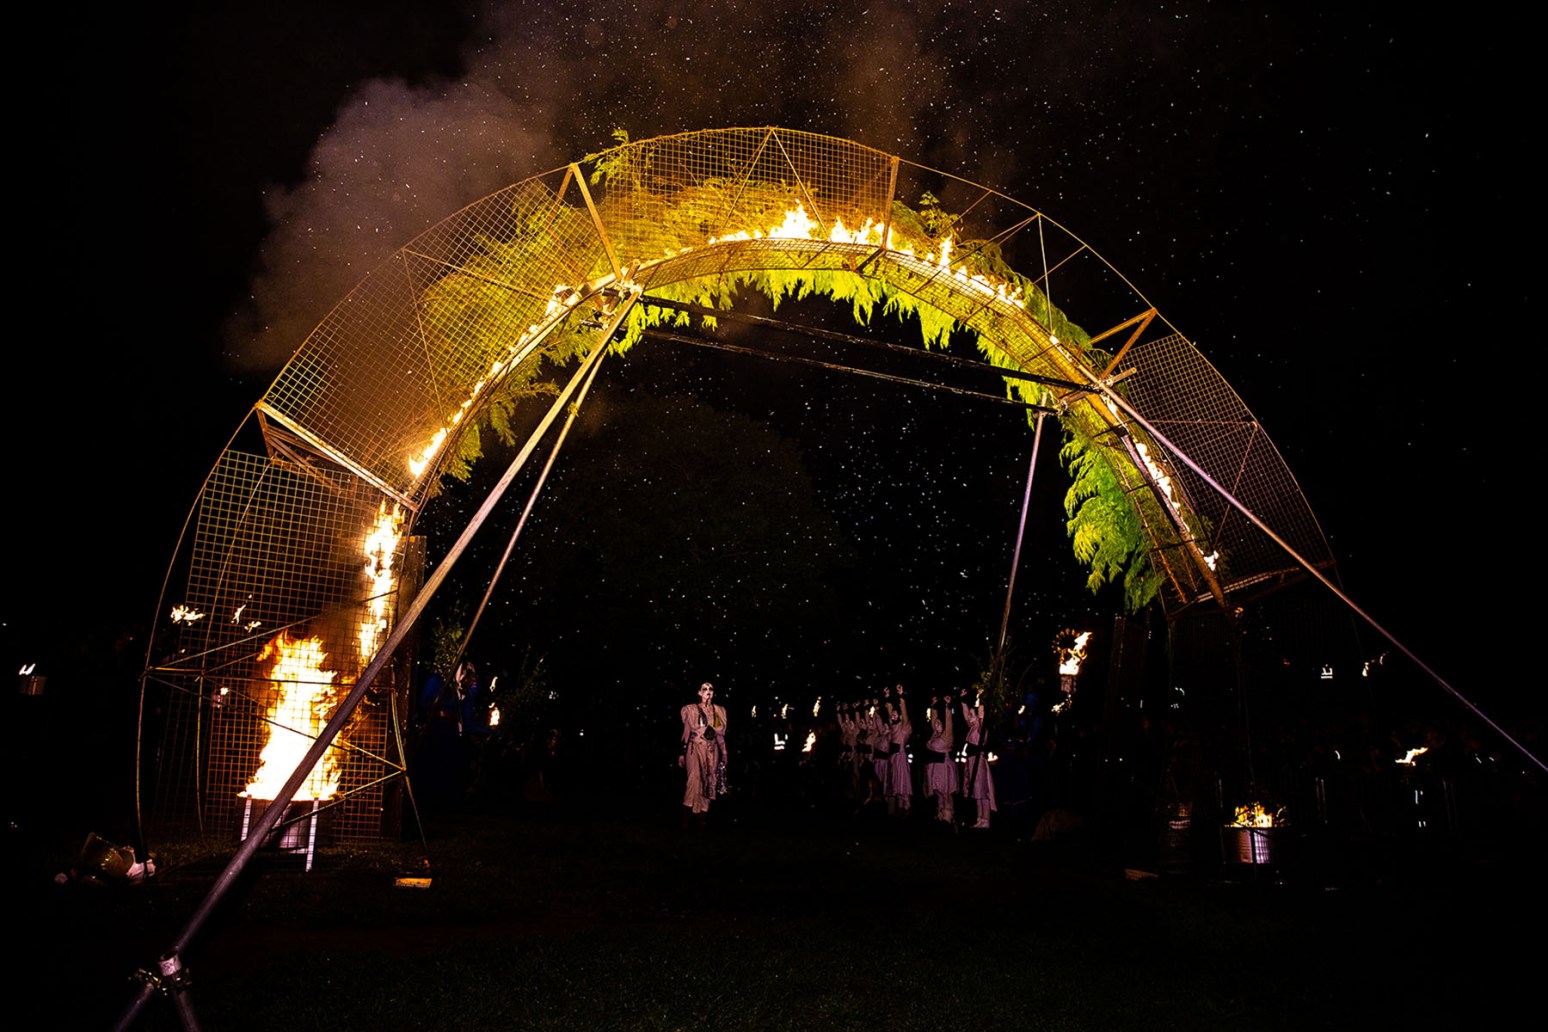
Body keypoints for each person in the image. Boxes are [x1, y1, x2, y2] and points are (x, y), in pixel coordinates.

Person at [679, 681, 728, 826]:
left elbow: (719, 735)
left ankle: (702, 819)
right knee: (694, 780)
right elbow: (686, 732)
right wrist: (681, 753)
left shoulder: (719, 711)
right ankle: (686, 818)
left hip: (711, 750)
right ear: (699, 692)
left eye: (711, 689)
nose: (708, 691)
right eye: (705, 689)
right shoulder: (691, 709)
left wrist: (724, 752)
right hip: (695, 748)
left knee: (709, 780)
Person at [960, 688, 997, 829]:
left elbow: (981, 717)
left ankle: (986, 819)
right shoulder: (972, 729)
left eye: (972, 715)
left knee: (982, 790)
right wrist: (963, 702)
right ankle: (979, 818)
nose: (969, 717)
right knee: (975, 790)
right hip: (971, 760)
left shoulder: (980, 729)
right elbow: (965, 717)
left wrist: (981, 700)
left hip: (979, 761)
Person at [922, 694, 957, 824]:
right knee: (938, 792)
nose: (936, 725)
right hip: (935, 767)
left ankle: (948, 814)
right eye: (935, 724)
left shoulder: (946, 736)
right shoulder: (934, 735)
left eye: (938, 724)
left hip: (944, 767)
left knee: (946, 792)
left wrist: (948, 707)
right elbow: (933, 720)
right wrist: (933, 707)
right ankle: (940, 812)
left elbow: (948, 723)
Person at [883, 684, 913, 817]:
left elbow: (904, 714)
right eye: (892, 715)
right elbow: (890, 713)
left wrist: (901, 696)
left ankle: (905, 806)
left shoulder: (904, 727)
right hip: (893, 758)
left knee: (902, 782)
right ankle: (897, 809)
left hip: (900, 757)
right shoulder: (893, 726)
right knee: (895, 783)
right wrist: (887, 697)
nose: (893, 716)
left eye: (896, 714)